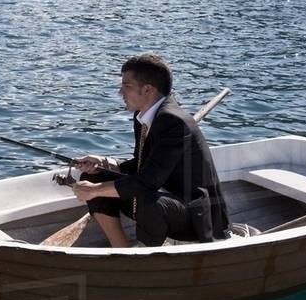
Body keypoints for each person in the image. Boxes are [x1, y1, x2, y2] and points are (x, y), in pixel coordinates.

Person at [70, 53, 231, 248]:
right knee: (97, 176)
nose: (120, 92)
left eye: (126, 86)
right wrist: (106, 164)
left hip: (194, 216)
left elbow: (149, 180)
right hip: (165, 198)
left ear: (147, 89)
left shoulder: (174, 121)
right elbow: (142, 164)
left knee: (148, 201)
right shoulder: (143, 116)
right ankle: (121, 250)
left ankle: (144, 260)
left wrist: (94, 191)